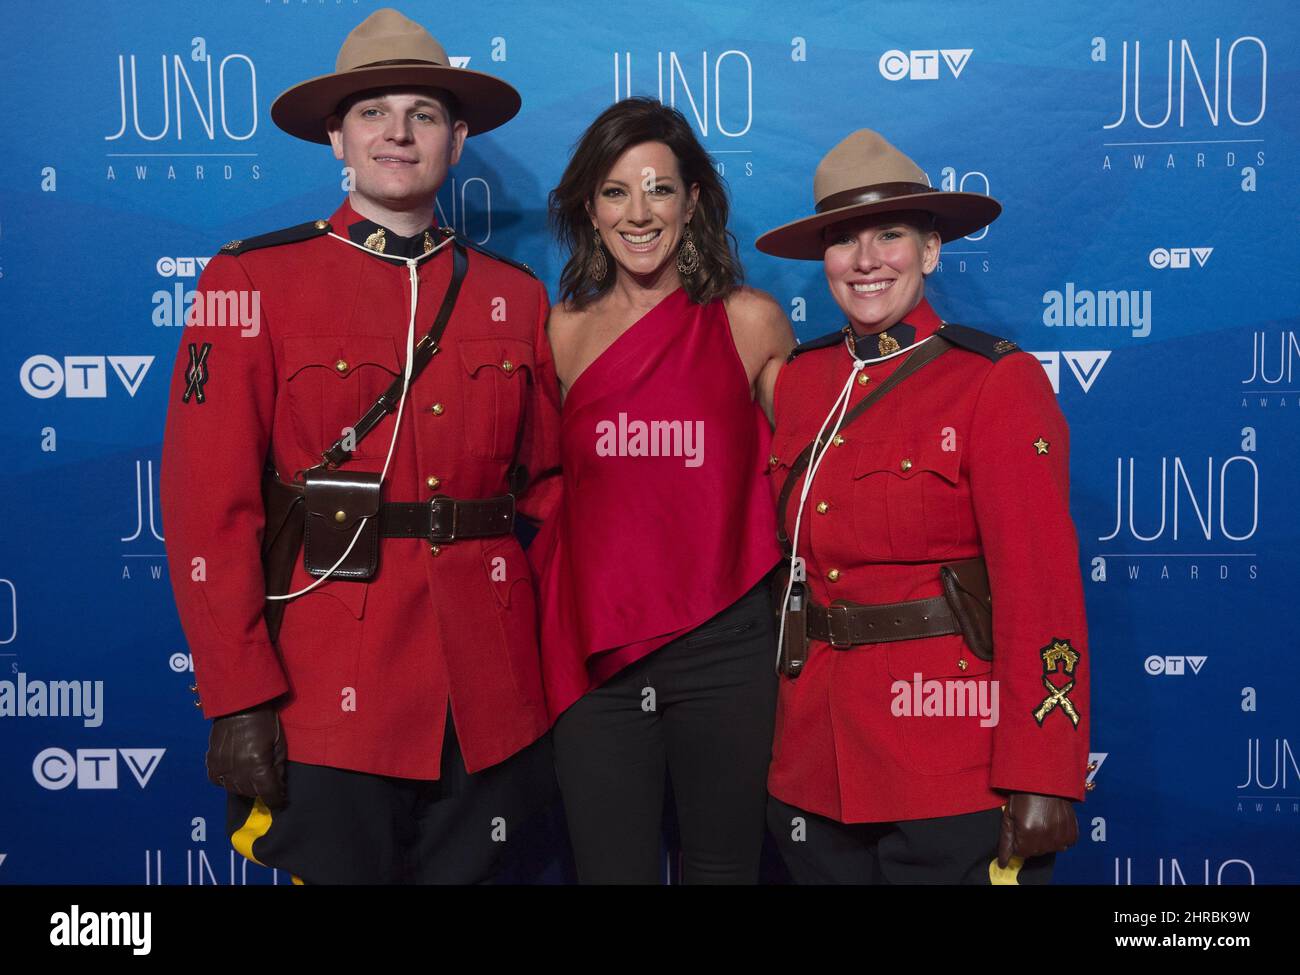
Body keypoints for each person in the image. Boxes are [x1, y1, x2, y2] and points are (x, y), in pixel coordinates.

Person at [160, 8, 562, 884]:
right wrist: (238, 696)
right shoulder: (250, 279)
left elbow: (553, 494)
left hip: (491, 692)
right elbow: (206, 510)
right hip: (329, 691)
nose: (398, 133)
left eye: (423, 114)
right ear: (336, 138)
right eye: (373, 112)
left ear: (457, 140)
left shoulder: (515, 296)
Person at [754, 129, 1091, 884]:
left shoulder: (994, 381)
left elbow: (1041, 588)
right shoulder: (804, 380)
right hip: (814, 759)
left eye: (890, 235)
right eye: (843, 240)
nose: (865, 259)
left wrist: (1044, 771)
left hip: (950, 759)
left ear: (931, 250)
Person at [528, 97, 794, 883]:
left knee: (723, 868)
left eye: (659, 189)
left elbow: (810, 476)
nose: (638, 213)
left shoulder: (750, 321)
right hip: (598, 652)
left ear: (693, 199)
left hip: (728, 646)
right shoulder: (562, 331)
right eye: (616, 191)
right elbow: (540, 481)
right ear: (590, 208)